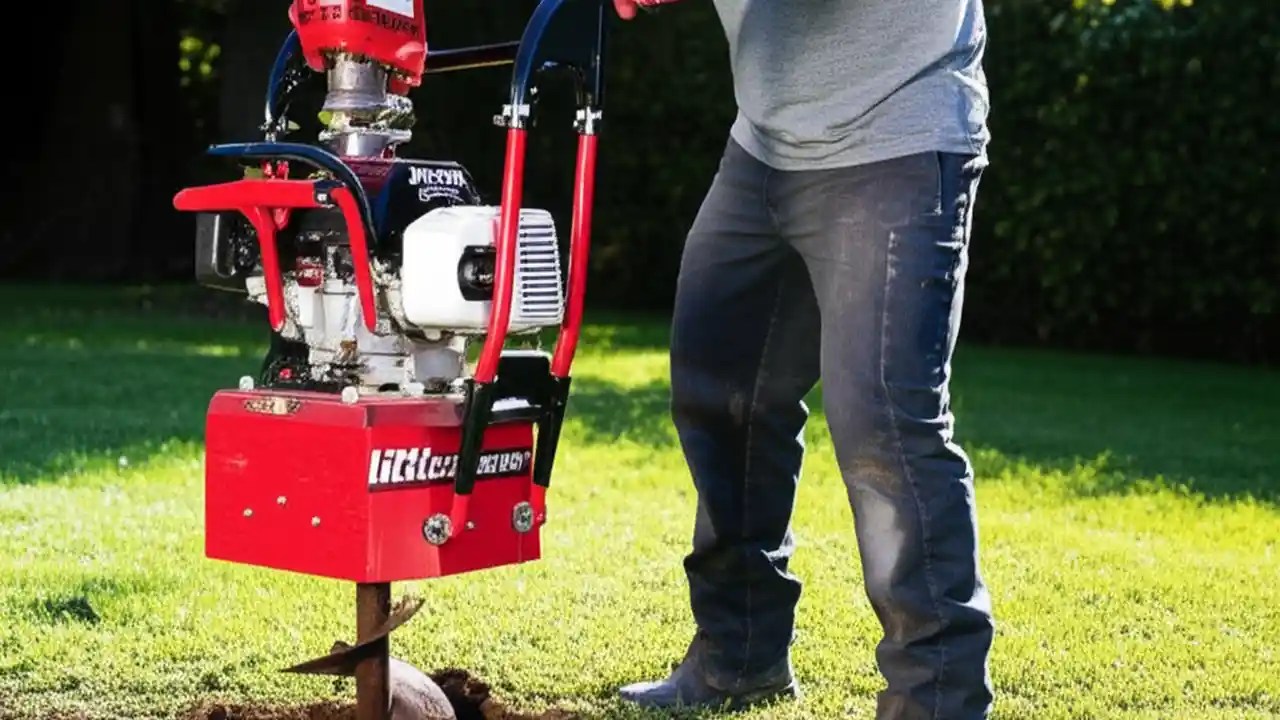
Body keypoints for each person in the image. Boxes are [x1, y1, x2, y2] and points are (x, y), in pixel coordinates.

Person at [610, 0, 996, 718]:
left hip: (898, 137)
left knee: (885, 427)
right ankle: (740, 656)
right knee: (721, 394)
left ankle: (937, 698)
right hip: (766, 143)